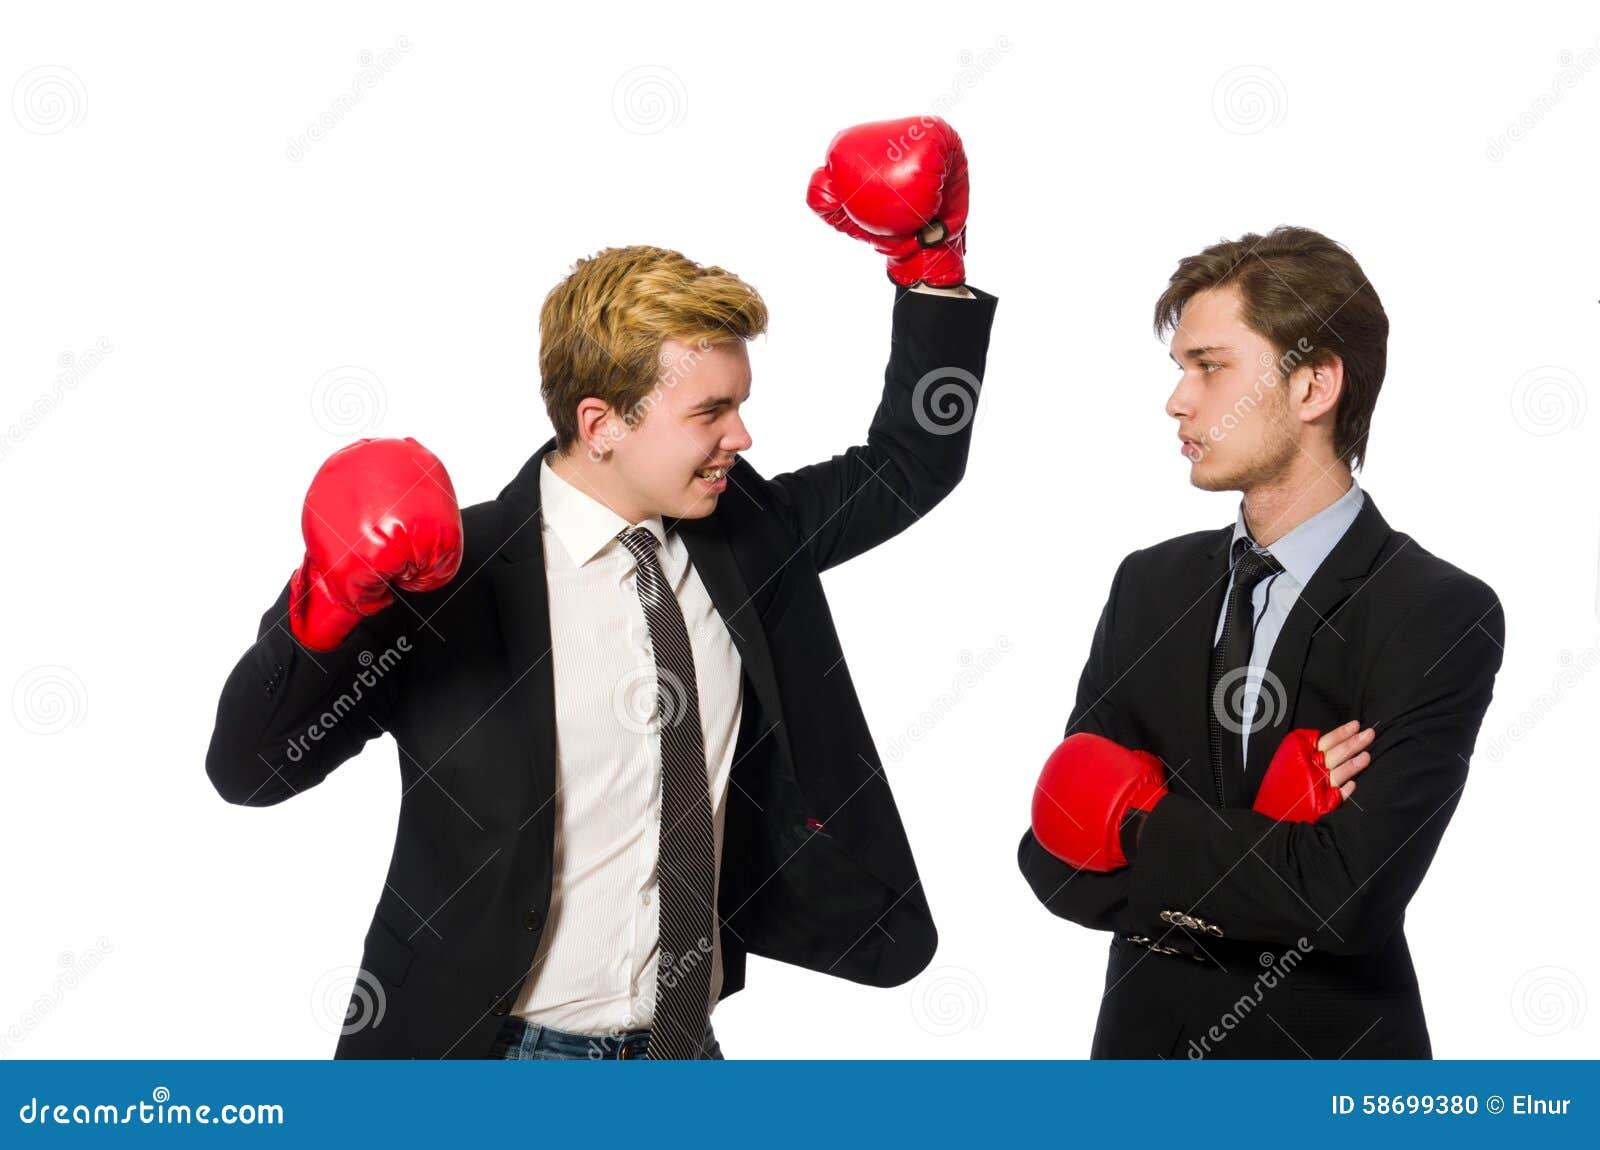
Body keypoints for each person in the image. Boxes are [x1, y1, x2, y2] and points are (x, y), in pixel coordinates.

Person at [205, 116, 999, 1059]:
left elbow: (911, 463)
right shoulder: (447, 576)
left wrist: (929, 266)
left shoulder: (747, 535)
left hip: (679, 1053)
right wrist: (325, 605)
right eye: (711, 411)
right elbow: (251, 772)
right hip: (488, 1059)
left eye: (740, 404)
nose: (741, 436)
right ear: (602, 421)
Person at [1018, 226, 1503, 1059]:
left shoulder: (1439, 611)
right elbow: (1054, 859)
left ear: (1314, 384)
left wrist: (1132, 822)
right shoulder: (1150, 585)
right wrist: (1276, 846)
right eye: (1179, 371)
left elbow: (1346, 903)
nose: (1178, 400)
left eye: (1209, 367)